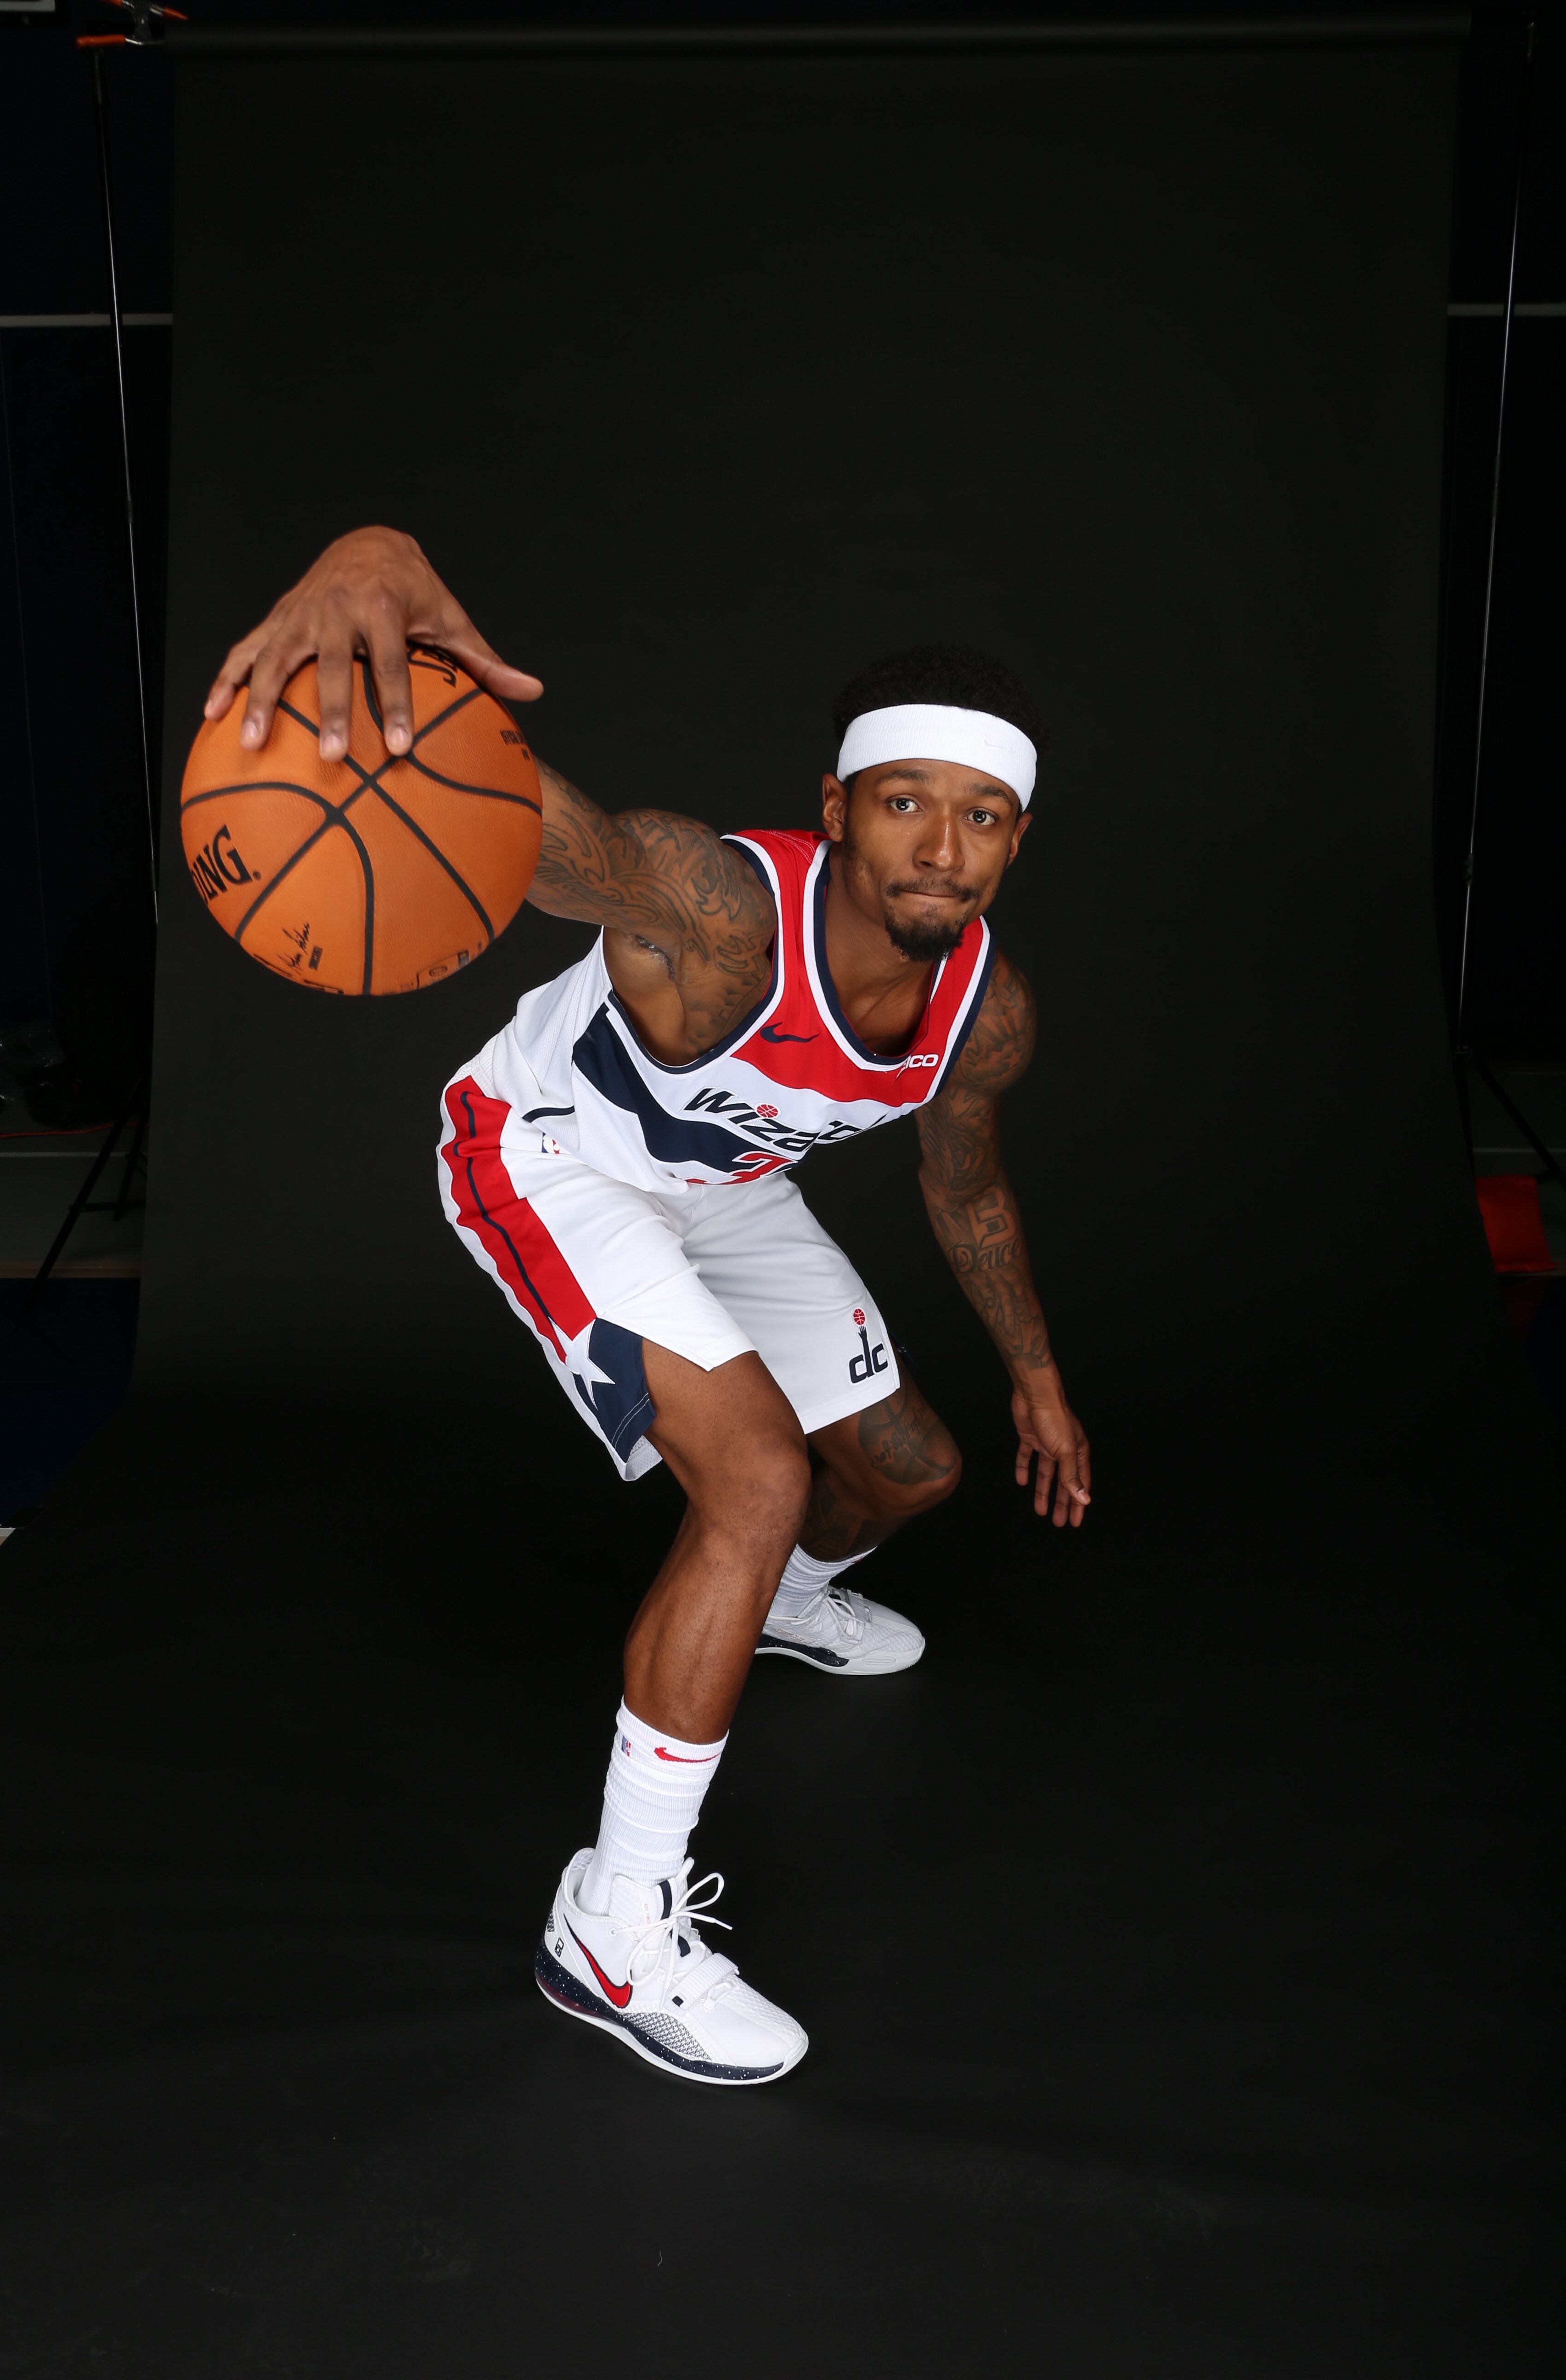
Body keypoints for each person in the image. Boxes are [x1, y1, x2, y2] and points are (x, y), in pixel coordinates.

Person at [207, 526, 1092, 2088]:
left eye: (982, 818)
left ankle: (787, 1607)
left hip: (719, 1184)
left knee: (907, 1468)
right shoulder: (720, 908)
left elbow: (965, 1189)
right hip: (549, 1154)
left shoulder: (985, 1005)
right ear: (839, 811)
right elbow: (543, 831)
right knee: (752, 1476)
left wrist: (1037, 1374)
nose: (941, 849)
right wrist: (380, 567)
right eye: (905, 806)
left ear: (1017, 840)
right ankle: (613, 1926)